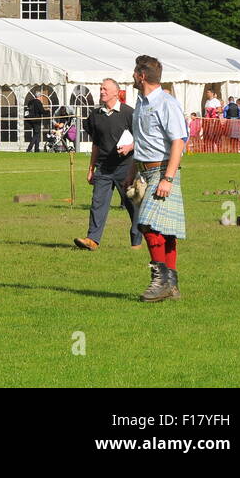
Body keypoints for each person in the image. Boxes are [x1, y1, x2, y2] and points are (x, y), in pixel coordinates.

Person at [124, 55, 188, 302]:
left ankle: (160, 281)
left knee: (148, 225)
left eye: (134, 73)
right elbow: (141, 142)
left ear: (142, 76)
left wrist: (168, 178)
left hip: (163, 172)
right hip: (145, 170)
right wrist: (132, 171)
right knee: (166, 230)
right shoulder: (140, 103)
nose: (132, 77)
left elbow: (178, 141)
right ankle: (171, 285)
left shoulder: (166, 103)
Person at [74, 78, 140, 251]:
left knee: (132, 205)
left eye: (105, 89)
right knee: (97, 203)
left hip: (126, 168)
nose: (101, 91)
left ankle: (137, 241)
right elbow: (96, 144)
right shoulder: (95, 115)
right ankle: (92, 240)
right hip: (103, 168)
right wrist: (91, 169)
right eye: (101, 88)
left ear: (116, 93)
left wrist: (129, 147)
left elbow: (140, 139)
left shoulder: (129, 113)